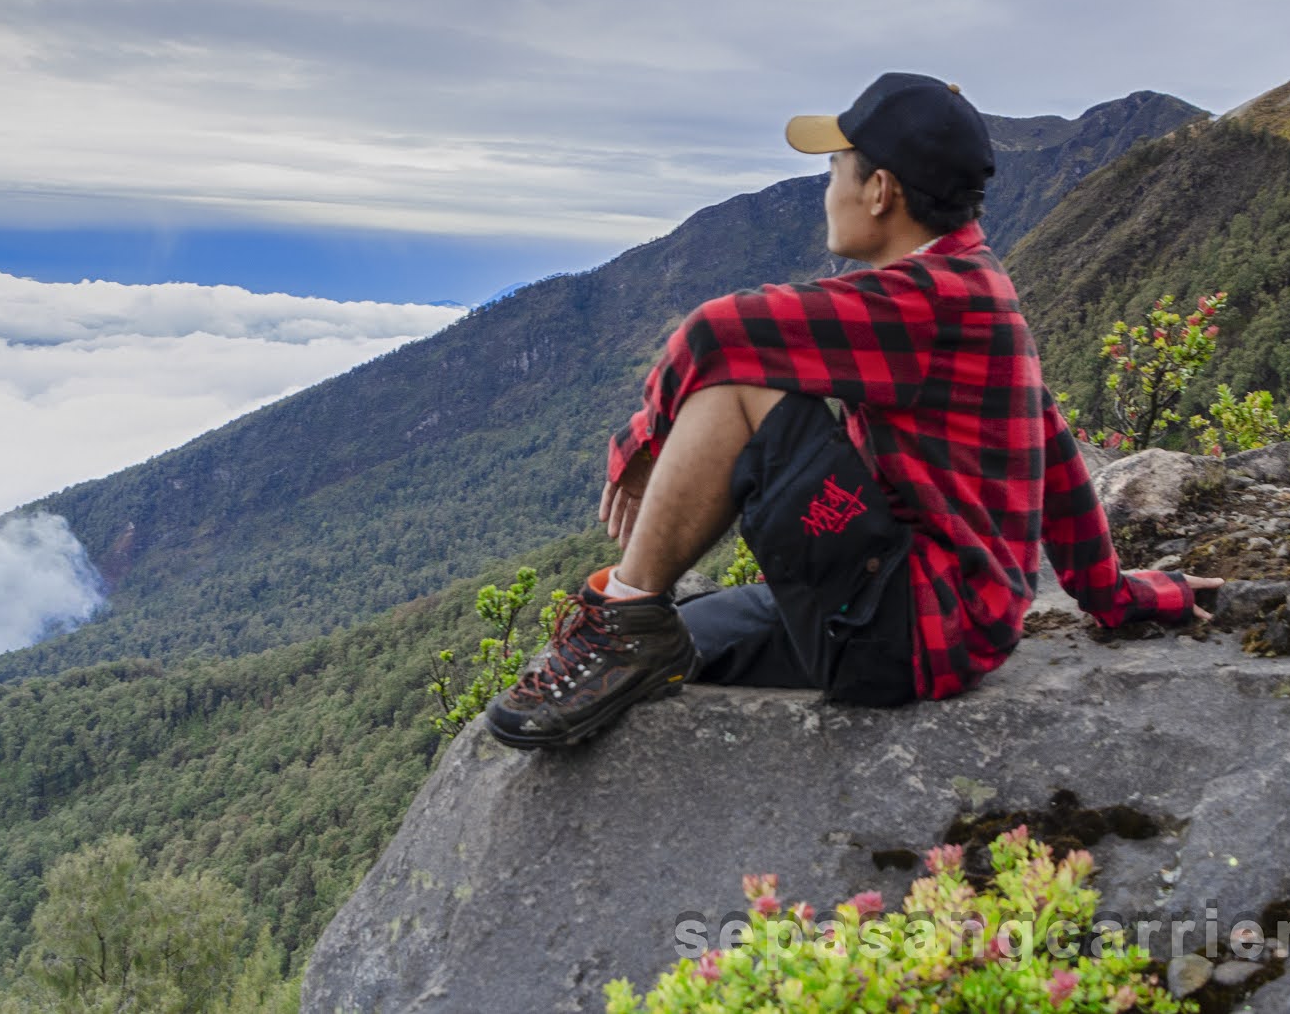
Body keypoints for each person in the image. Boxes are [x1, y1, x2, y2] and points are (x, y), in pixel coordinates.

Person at [484, 73, 1220, 749]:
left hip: (908, 634)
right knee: (690, 641)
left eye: (834, 168)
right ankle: (643, 627)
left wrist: (641, 451)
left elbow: (714, 330)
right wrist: (1120, 598)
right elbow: (1053, 459)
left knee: (737, 387)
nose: (826, 188)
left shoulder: (932, 302)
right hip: (927, 611)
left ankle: (624, 619)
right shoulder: (973, 287)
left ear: (879, 192)